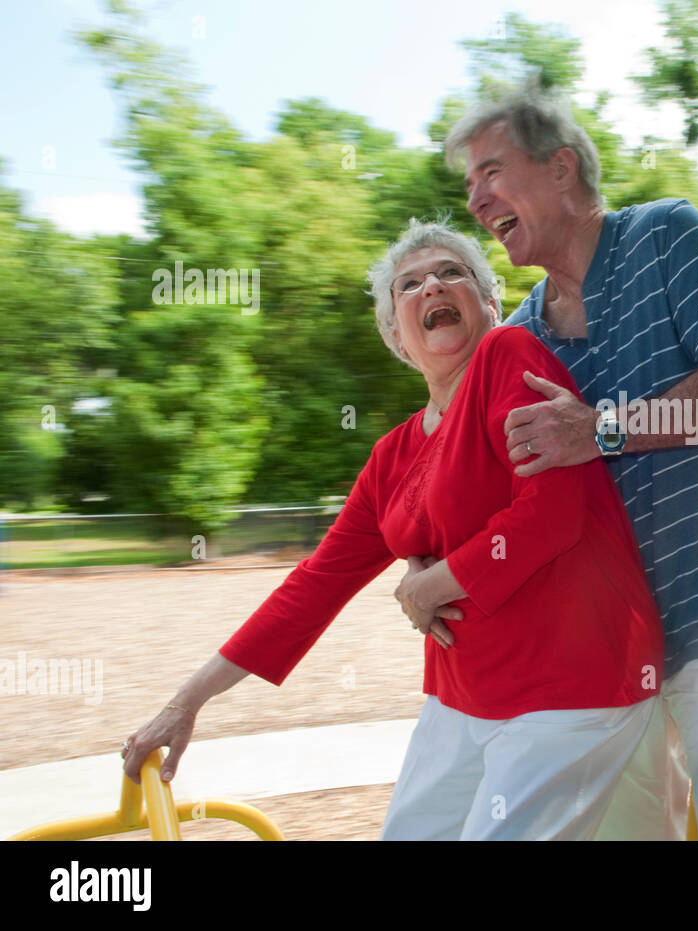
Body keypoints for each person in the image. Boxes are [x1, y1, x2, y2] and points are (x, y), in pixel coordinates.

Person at [121, 221, 664, 841]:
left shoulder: (506, 356)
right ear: (396, 336)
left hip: (573, 683)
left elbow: (551, 515)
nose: (432, 284)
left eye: (452, 272)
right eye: (410, 284)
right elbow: (314, 584)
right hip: (460, 693)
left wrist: (431, 583)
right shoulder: (393, 454)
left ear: (489, 306)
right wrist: (187, 701)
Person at [436, 83, 698, 840]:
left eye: (491, 173)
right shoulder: (521, 329)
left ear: (562, 168)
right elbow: (487, 490)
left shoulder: (668, 235)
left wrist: (599, 429)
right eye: (468, 186)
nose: (477, 200)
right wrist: (428, 568)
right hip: (606, 658)